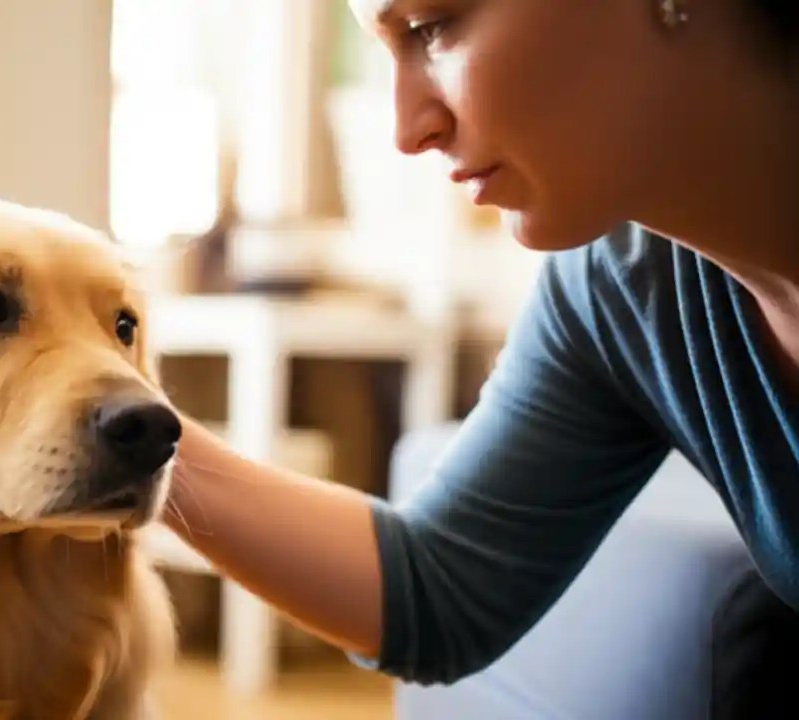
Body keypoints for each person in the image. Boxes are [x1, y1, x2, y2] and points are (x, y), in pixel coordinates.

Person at [162, 0, 799, 687]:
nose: (408, 130)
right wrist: (119, 429)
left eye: (433, 28)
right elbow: (436, 590)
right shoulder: (618, 285)